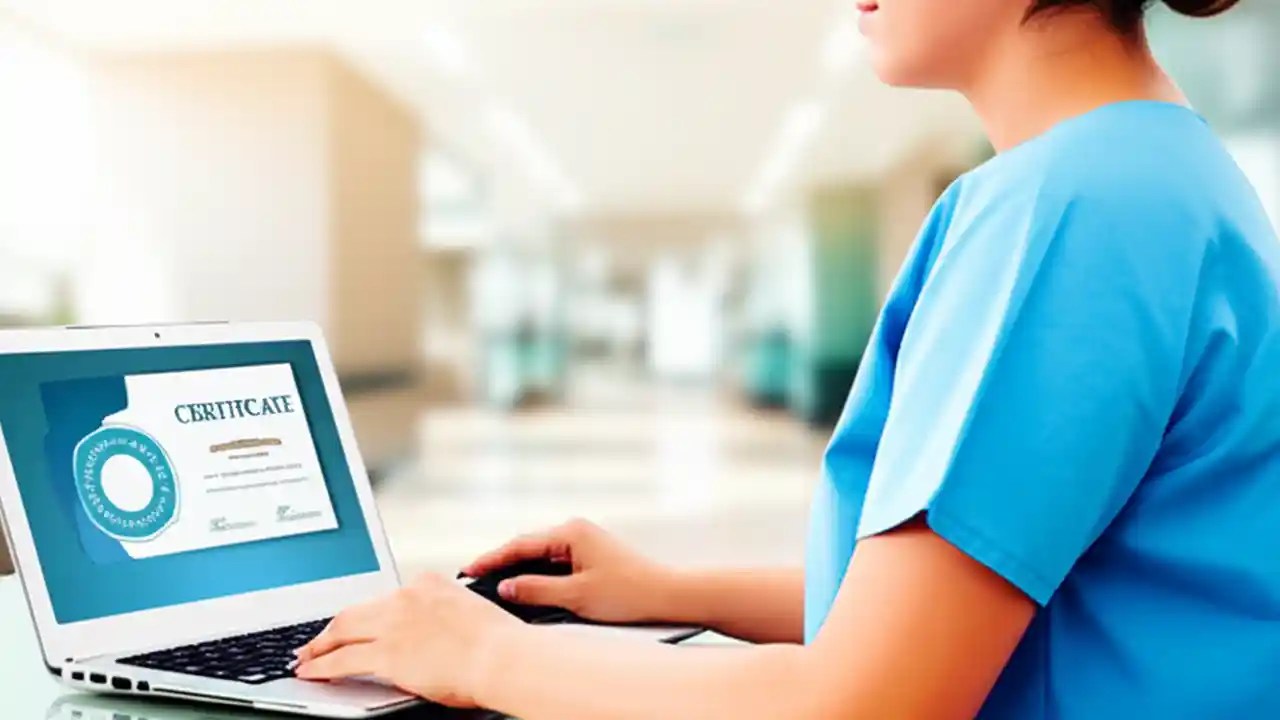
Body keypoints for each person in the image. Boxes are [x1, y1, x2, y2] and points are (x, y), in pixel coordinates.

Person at [295, 0, 1280, 716]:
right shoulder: (1163, 174)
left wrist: (485, 658)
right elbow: (975, 600)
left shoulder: (1070, 209)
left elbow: (866, 700)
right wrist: (672, 592)